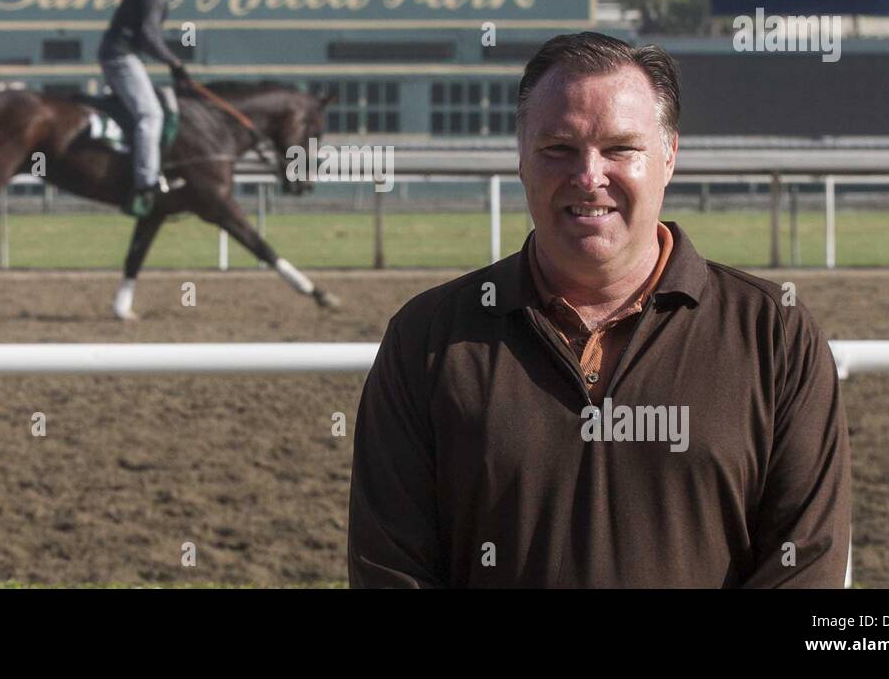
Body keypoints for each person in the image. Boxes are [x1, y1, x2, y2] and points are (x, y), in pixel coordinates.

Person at [347, 31, 851, 588]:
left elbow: (805, 569)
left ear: (668, 156)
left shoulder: (775, 336)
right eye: (559, 148)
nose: (589, 177)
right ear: (521, 159)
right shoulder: (426, 339)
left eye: (619, 148)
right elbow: (390, 570)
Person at [98, 0, 193, 217]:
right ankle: (145, 184)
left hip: (124, 55)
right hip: (120, 57)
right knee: (150, 115)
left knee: (156, 107)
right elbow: (149, 36)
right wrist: (174, 62)